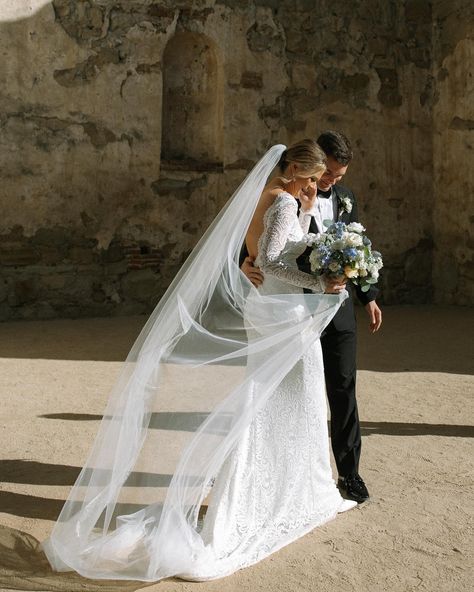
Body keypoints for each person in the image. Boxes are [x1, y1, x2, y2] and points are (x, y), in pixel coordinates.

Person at [43, 140, 356, 582]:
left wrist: (305, 213)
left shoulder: (272, 195)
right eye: (311, 178)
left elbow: (267, 248)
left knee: (274, 393)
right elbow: (270, 259)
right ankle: (271, 494)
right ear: (297, 171)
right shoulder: (283, 200)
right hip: (281, 305)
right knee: (281, 395)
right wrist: (319, 283)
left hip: (266, 303)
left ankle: (281, 487)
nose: (314, 186)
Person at [241, 131, 382, 503]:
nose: (331, 182)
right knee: (289, 393)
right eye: (328, 175)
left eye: (337, 177)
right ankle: (279, 477)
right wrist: (245, 260)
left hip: (334, 309)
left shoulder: (342, 199)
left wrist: (367, 295)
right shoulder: (286, 194)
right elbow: (262, 237)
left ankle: (349, 475)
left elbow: (358, 247)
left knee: (342, 387)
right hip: (292, 304)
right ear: (311, 166)